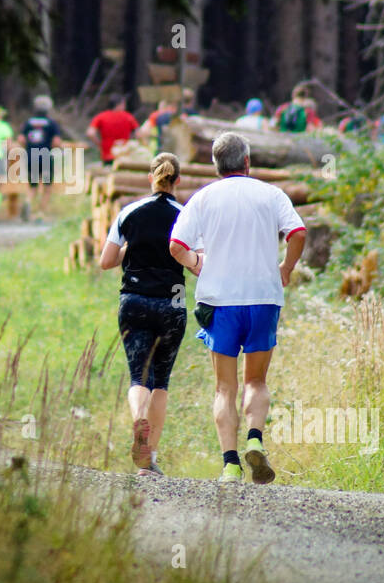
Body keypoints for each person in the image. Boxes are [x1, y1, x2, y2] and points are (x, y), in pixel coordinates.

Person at [167, 132, 307, 485]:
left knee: (224, 388)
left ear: (216, 165)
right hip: (263, 297)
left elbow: (176, 246)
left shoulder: (203, 198)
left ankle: (230, 465)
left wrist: (198, 265)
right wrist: (286, 269)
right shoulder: (271, 194)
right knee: (257, 381)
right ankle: (256, 438)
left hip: (220, 301)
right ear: (247, 162)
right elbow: (298, 233)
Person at [98, 153, 188, 477]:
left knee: (139, 377)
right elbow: (194, 258)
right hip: (172, 303)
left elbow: (106, 261)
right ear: (177, 181)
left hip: (133, 300)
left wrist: (129, 250)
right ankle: (148, 463)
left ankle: (139, 420)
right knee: (160, 384)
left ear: (151, 177)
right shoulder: (186, 215)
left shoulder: (128, 212)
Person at [18, 95, 63, 221]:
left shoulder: (28, 122)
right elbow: (56, 142)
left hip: (31, 157)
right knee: (47, 187)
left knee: (33, 186)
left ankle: (27, 201)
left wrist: (28, 146)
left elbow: (21, 139)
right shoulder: (51, 123)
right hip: (46, 157)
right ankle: (40, 213)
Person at [88, 93, 140, 165]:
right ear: (120, 104)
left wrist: (100, 145)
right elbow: (138, 133)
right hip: (124, 156)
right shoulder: (128, 117)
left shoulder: (101, 117)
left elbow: (90, 133)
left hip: (107, 155)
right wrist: (132, 144)